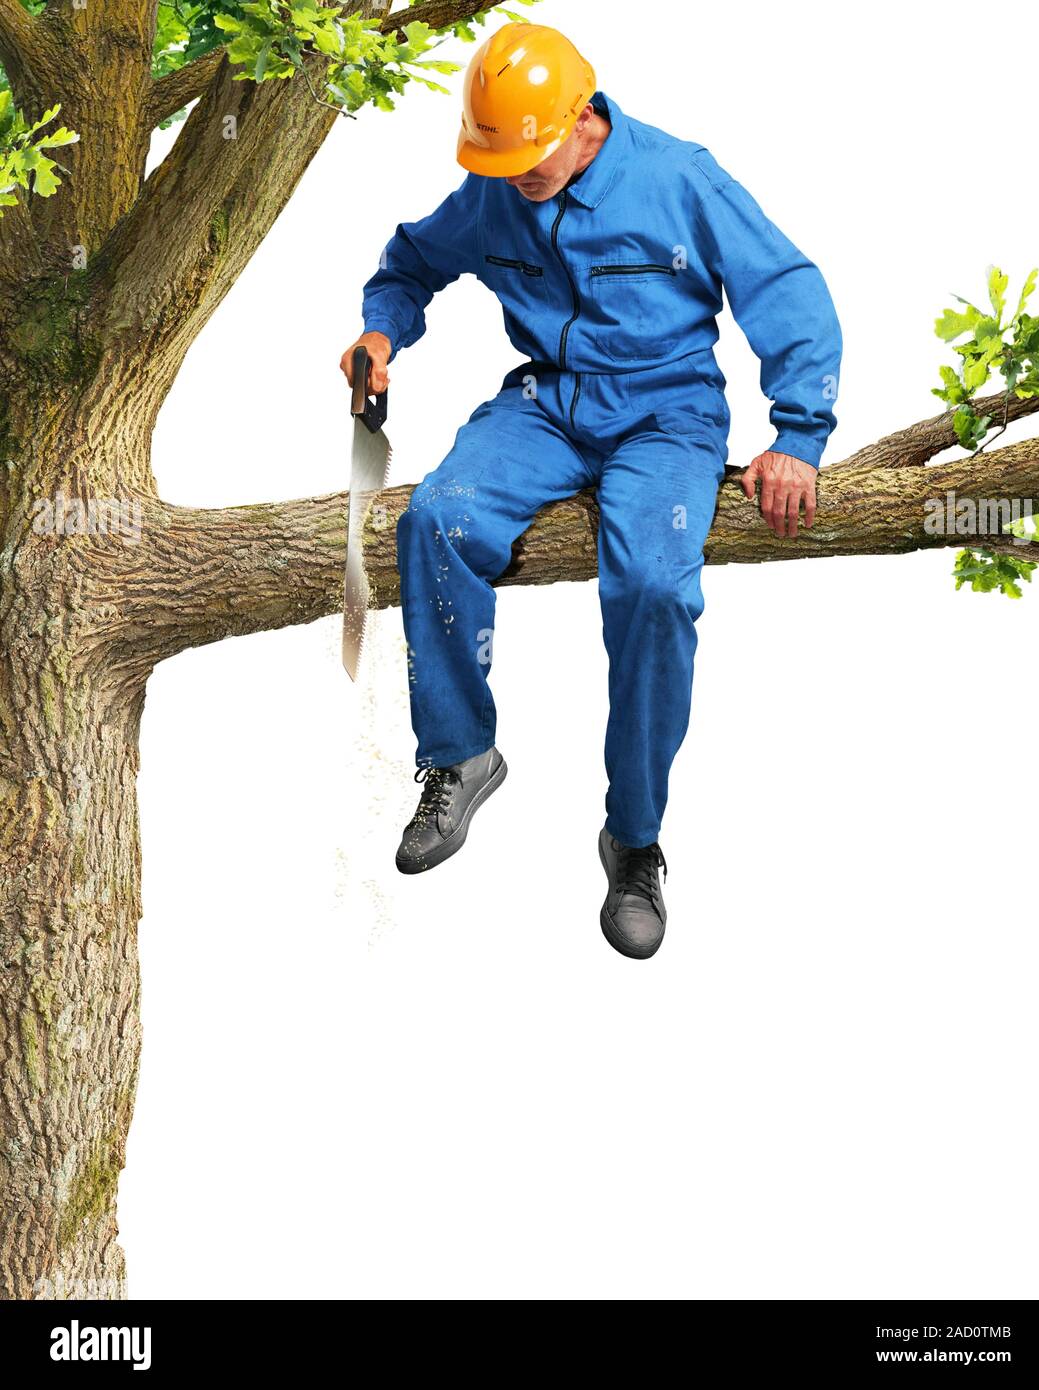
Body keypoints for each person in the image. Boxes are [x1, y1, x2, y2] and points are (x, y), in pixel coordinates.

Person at [340, 22, 842, 959]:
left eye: (531, 151)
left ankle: (635, 838)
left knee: (653, 586)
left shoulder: (679, 178)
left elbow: (788, 287)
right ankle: (459, 754)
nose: (518, 172)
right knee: (434, 520)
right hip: (548, 403)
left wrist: (797, 437)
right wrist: (381, 334)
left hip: (667, 414)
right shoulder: (495, 188)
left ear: (583, 118)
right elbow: (411, 263)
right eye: (501, 156)